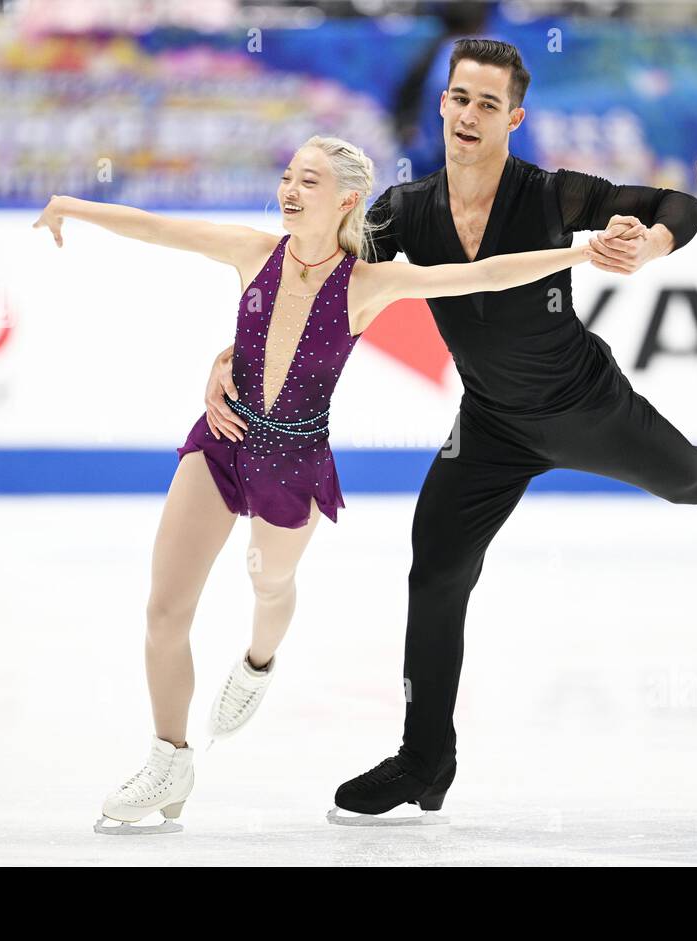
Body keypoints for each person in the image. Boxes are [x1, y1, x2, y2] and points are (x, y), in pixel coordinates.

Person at [202, 40, 697, 824]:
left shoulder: (551, 194)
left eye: (488, 105)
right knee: (435, 570)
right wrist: (234, 352)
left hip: (586, 406)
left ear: (514, 118)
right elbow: (307, 279)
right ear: (443, 105)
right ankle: (424, 758)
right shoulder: (407, 211)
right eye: (460, 98)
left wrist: (650, 244)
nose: (470, 115)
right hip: (491, 427)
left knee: (693, 481)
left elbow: (683, 205)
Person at [33, 134, 613, 833]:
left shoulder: (369, 284)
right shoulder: (251, 253)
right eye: (286, 176)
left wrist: (582, 251)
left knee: (269, 585)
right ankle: (170, 756)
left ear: (345, 199)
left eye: (307, 181)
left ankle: (257, 659)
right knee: (164, 608)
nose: (289, 189)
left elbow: (485, 275)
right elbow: (156, 228)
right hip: (221, 440)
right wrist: (70, 203)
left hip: (293, 463)